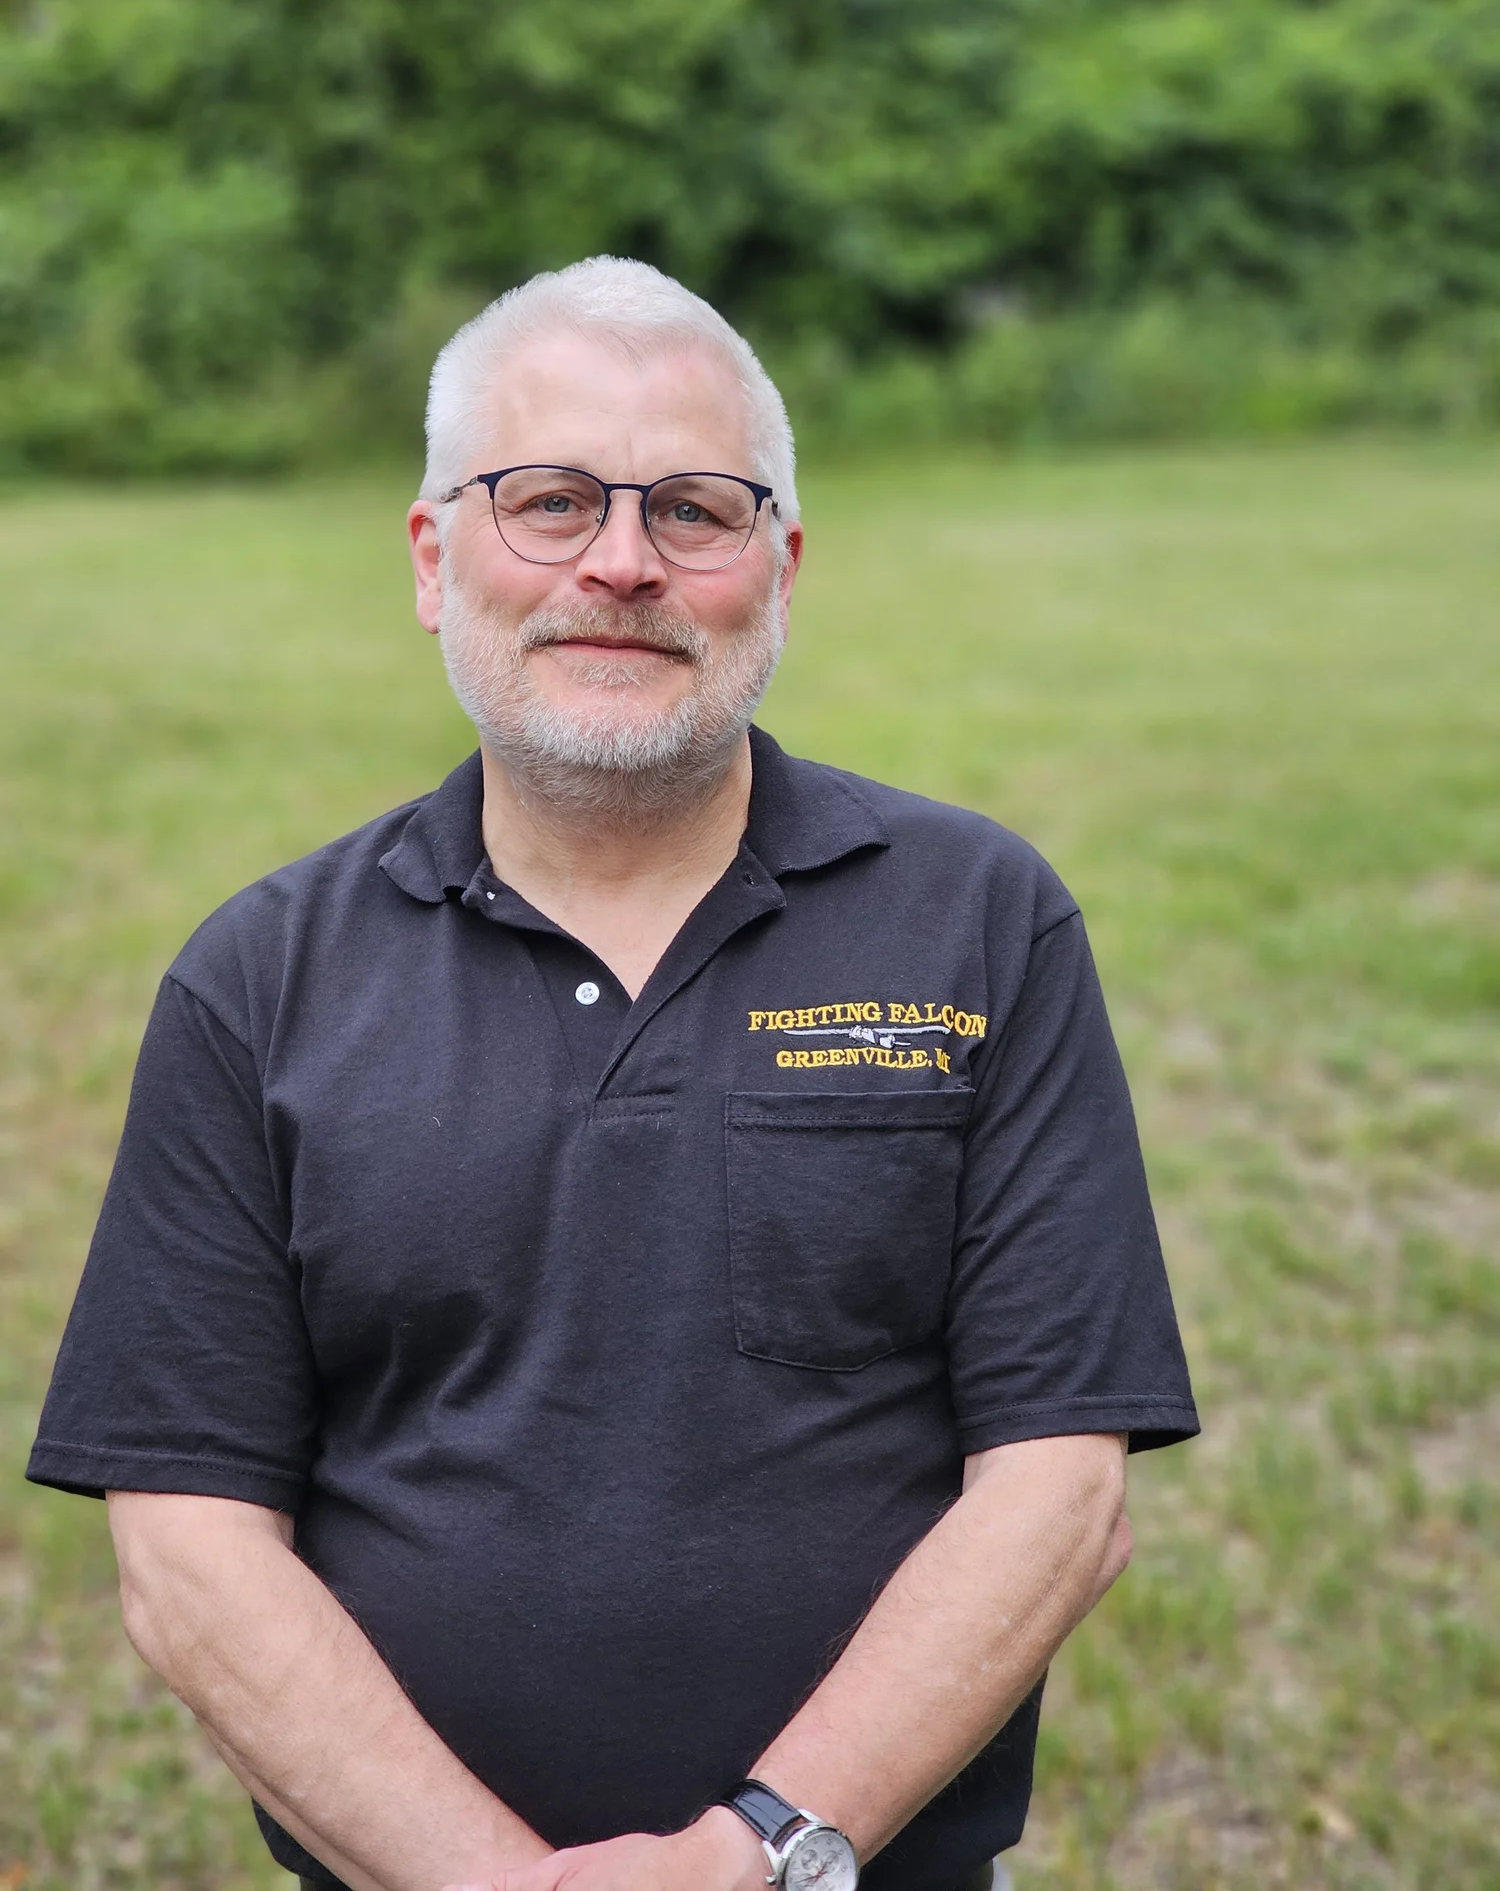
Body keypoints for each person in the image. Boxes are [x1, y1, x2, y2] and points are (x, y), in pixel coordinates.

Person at [27, 258, 1198, 1891]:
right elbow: (187, 1546)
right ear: (435, 560)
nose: (625, 564)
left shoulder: (979, 923)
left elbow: (1060, 1492)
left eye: (698, 512)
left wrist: (762, 1852)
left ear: (782, 568)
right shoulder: (258, 980)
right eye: (552, 501)